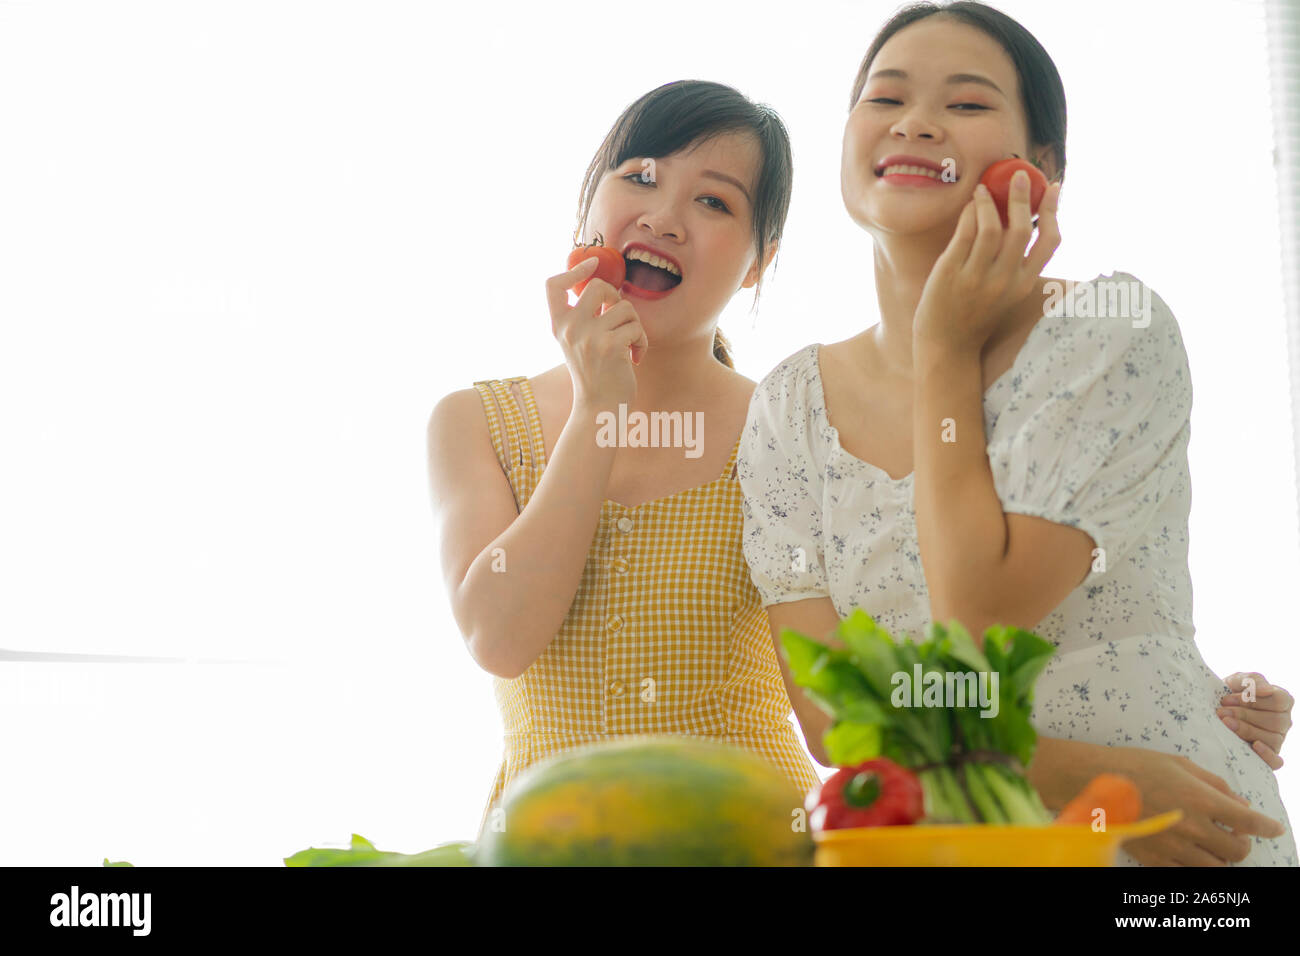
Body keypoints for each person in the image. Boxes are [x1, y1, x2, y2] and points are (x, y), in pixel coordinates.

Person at [737, 1, 1297, 865]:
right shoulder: (787, 406)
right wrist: (1063, 769)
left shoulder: (1112, 330)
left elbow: (981, 609)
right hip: (939, 844)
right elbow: (825, 716)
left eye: (966, 105)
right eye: (886, 100)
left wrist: (943, 347)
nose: (917, 121)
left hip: (1164, 835)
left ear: (1041, 170)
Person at [426, 80, 821, 838]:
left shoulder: (788, 425)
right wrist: (599, 410)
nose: (664, 216)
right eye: (640, 176)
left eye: (714, 202)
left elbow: (833, 716)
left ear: (757, 264)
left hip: (755, 848)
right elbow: (499, 638)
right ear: (588, 210)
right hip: (549, 850)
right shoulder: (473, 421)